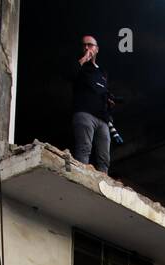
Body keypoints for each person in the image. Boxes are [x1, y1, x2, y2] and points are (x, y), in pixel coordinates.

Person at [64, 35, 112, 173]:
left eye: (90, 45)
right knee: (84, 149)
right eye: (84, 45)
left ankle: (104, 187)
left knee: (104, 157)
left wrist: (109, 102)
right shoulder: (79, 65)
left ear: (97, 49)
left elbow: (103, 91)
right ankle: (81, 178)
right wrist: (84, 59)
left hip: (102, 118)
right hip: (84, 114)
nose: (86, 47)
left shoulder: (102, 72)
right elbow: (69, 75)